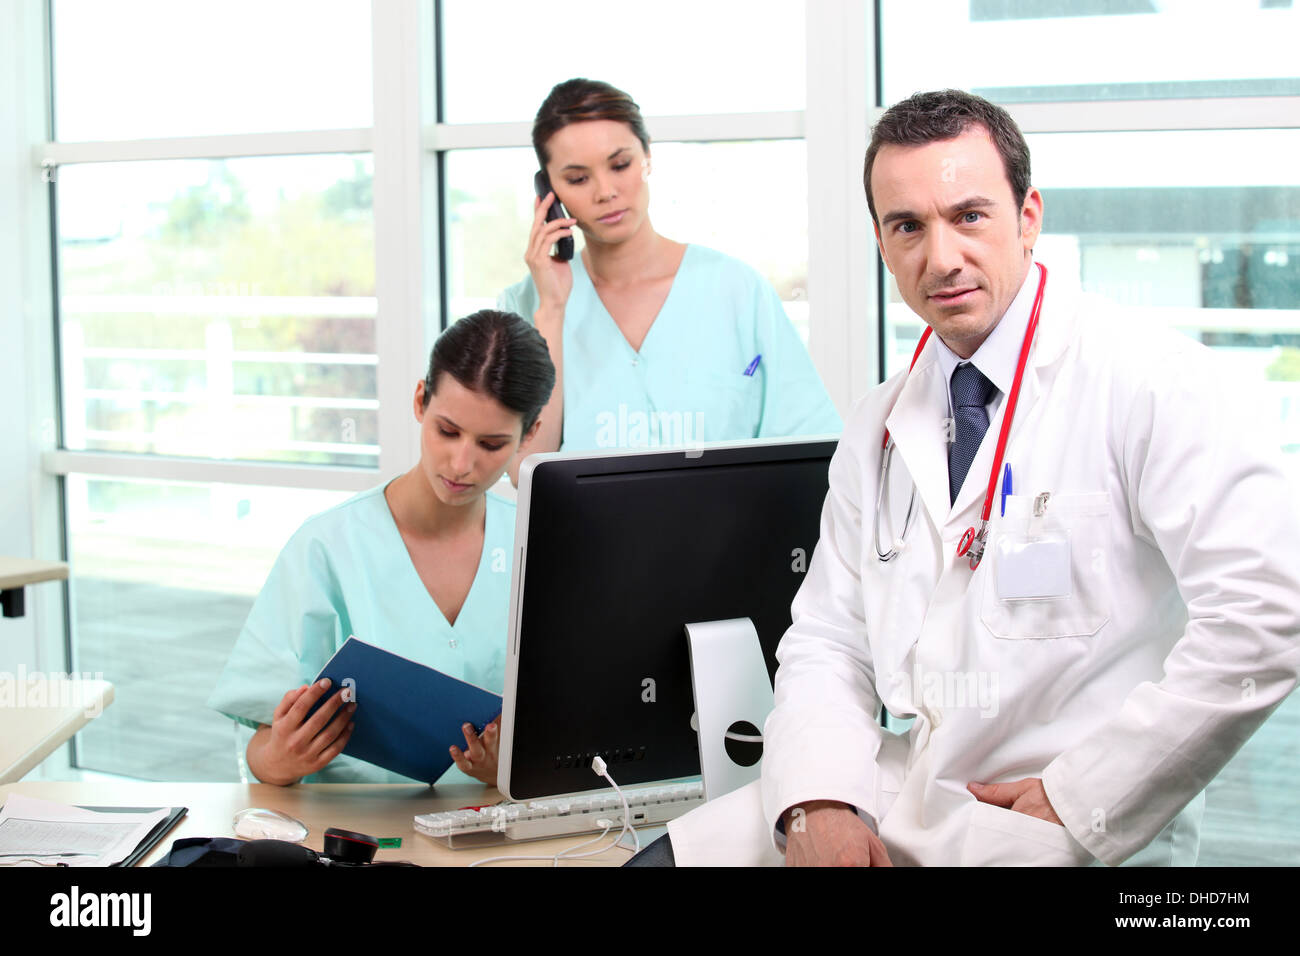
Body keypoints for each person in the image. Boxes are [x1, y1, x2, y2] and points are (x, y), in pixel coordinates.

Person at [663, 89, 1300, 866]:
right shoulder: (879, 425)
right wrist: (816, 799)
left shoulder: (1151, 383)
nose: (941, 258)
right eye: (908, 227)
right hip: (894, 801)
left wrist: (1087, 793)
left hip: (1055, 824)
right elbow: (831, 639)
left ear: (1029, 214)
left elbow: (1267, 613)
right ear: (880, 239)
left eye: (969, 215)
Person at [207, 309, 555, 787]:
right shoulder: (326, 548)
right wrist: (283, 759)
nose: (461, 463)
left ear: (529, 434)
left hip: (490, 842)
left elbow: (568, 739)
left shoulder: (536, 547)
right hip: (356, 842)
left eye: (492, 444)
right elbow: (260, 754)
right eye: (447, 431)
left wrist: (510, 770)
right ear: (420, 401)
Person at [498, 77, 841, 465]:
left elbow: (812, 445)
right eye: (578, 178)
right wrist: (552, 311)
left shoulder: (737, 290)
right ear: (548, 191)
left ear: (647, 156)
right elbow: (522, 466)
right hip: (584, 527)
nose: (605, 191)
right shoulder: (526, 305)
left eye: (620, 164)